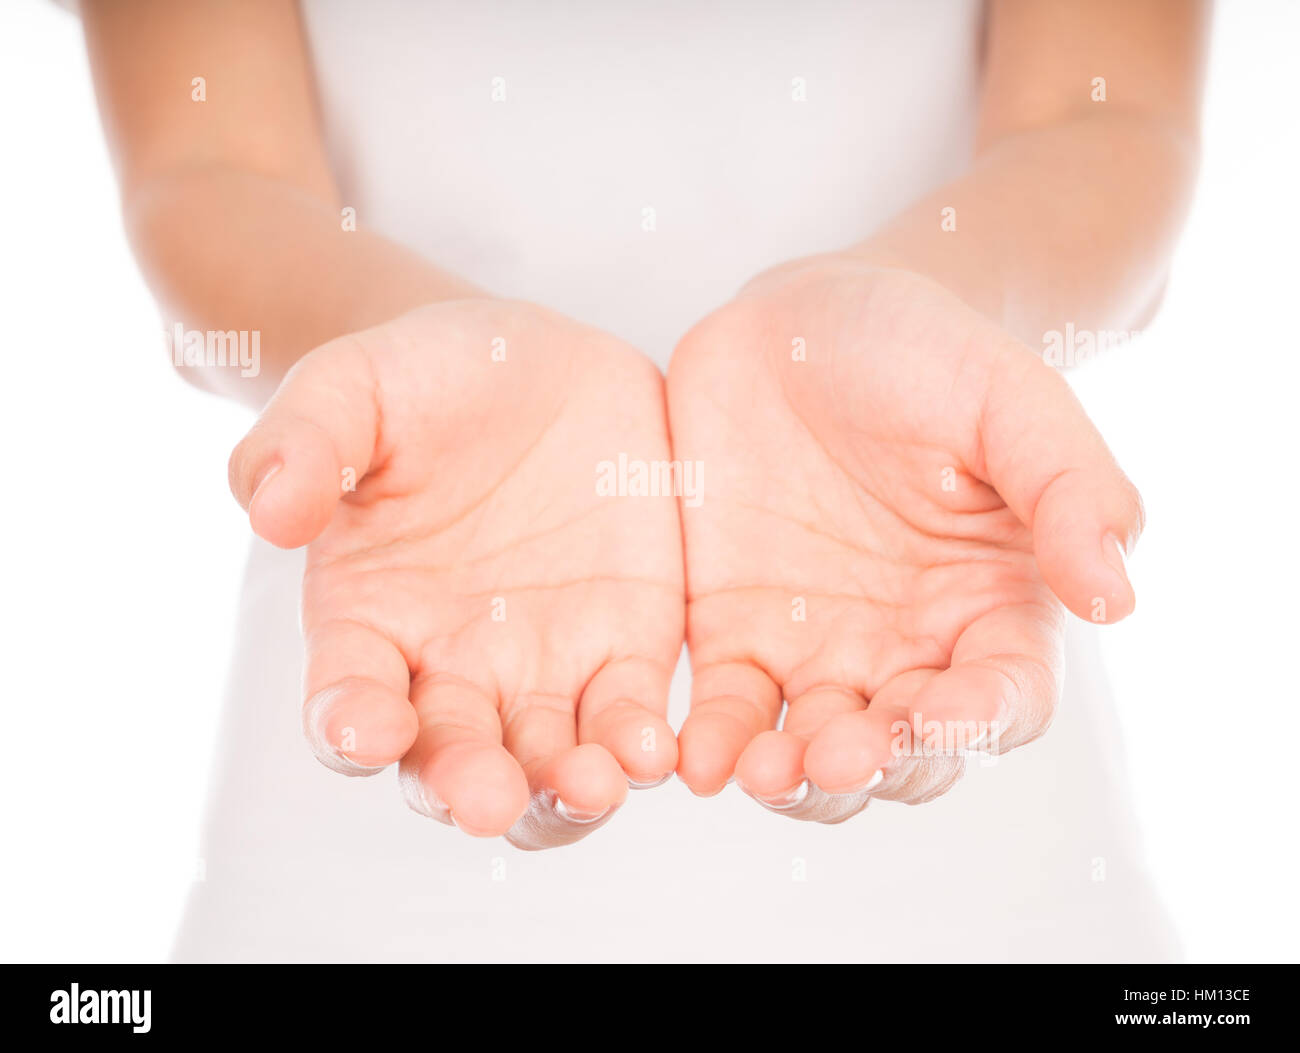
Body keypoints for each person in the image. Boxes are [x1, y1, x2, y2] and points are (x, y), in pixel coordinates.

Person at [78, 0, 1208, 960]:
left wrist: (937, 310)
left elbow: (1102, 117)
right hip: (414, 676)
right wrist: (404, 353)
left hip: (937, 698)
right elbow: (207, 166)